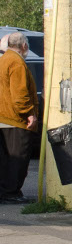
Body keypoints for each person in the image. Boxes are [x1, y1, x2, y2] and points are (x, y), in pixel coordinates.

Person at [0, 32, 40, 203]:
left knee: (5, 159)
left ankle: (5, 192)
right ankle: (11, 193)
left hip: (4, 117)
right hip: (15, 119)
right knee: (18, 158)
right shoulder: (17, 63)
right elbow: (19, 94)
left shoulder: (3, 60)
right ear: (24, 46)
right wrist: (29, 113)